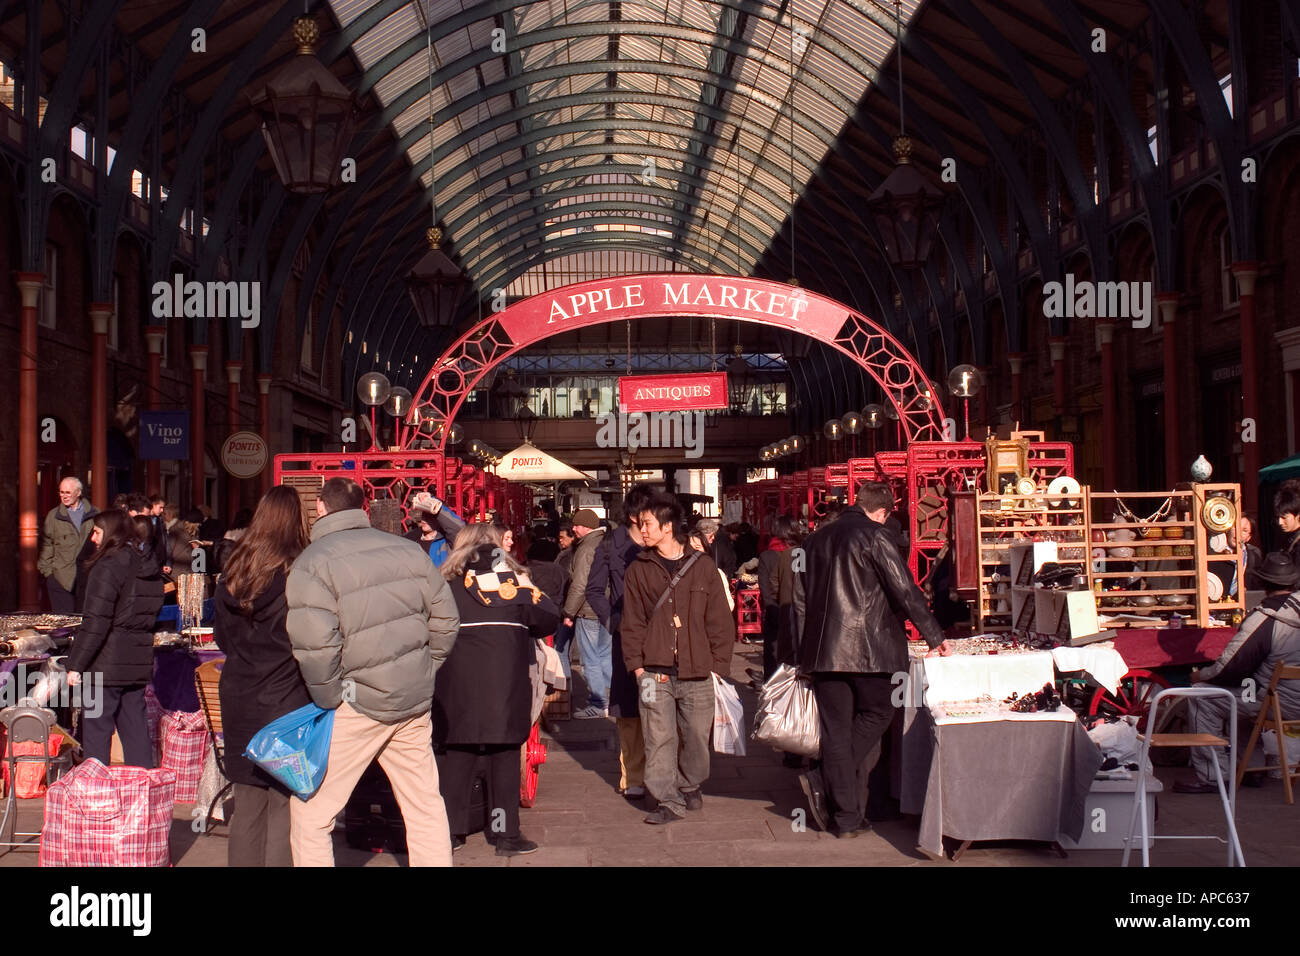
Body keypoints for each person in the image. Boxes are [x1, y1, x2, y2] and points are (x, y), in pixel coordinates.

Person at [286, 477, 460, 867]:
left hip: (356, 701)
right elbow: (447, 621)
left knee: (312, 813)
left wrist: (330, 696)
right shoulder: (409, 551)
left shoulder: (312, 562)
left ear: (320, 508)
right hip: (412, 700)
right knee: (424, 805)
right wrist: (423, 669)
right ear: (362, 507)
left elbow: (315, 646)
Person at [795, 481, 950, 837]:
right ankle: (827, 775)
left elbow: (801, 604)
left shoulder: (815, 539)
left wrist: (802, 655)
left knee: (835, 732)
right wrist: (934, 635)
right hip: (870, 652)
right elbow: (904, 589)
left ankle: (847, 819)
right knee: (880, 713)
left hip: (822, 654)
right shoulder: (877, 536)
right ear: (882, 512)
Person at [433, 523, 559, 855]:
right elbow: (548, 617)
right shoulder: (511, 582)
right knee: (503, 762)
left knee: (455, 761)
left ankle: (451, 833)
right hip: (504, 691)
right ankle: (505, 835)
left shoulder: (444, 584)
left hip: (454, 692)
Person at [211, 486, 313, 866]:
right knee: (283, 803)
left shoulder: (235, 567)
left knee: (247, 800)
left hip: (239, 693)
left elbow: (222, 637)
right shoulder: (298, 569)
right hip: (286, 696)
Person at [622, 493, 734, 824]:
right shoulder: (638, 570)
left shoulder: (703, 568)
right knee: (658, 737)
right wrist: (638, 667)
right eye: (641, 524)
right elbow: (631, 622)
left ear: (668, 527)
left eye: (647, 524)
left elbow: (719, 622)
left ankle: (690, 783)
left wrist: (719, 667)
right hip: (654, 671)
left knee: (697, 736)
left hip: (698, 670)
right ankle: (666, 798)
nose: (642, 530)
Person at [1178, 552, 1300, 793]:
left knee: (1203, 697)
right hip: (1284, 696)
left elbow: (1230, 667)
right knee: (1246, 692)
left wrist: (1200, 676)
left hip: (1279, 702)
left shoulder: (1265, 619)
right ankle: (1251, 770)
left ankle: (1213, 776)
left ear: (1264, 584)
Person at [64, 509, 164, 767]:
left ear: (110, 532)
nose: (93, 539)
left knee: (97, 730)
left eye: (97, 532)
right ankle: (142, 792)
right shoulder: (148, 565)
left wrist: (76, 664)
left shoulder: (108, 566)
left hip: (104, 663)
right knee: (135, 728)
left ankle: (97, 794)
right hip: (136, 657)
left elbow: (96, 621)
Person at [588, 484, 654, 800]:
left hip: (663, 636)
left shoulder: (664, 542)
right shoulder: (609, 546)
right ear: (632, 515)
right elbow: (593, 591)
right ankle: (634, 776)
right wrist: (613, 621)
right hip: (625, 637)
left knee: (663, 704)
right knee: (629, 709)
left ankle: (666, 772)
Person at [564, 509, 612, 719]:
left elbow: (580, 584)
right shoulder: (605, 542)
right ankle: (612, 700)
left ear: (586, 527)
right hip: (606, 608)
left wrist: (569, 611)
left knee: (590, 659)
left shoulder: (586, 549)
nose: (573, 529)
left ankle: (598, 703)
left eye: (576, 525)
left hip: (588, 609)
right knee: (605, 655)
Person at [37, 476, 99, 612]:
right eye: (61, 492)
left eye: (68, 492)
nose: (64, 496)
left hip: (88, 579)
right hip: (61, 580)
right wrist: (49, 574)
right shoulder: (53, 516)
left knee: (84, 622)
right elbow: (46, 545)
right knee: (64, 624)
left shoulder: (95, 515)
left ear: (78, 493)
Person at [755, 516, 794, 684]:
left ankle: (772, 691)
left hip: (774, 613)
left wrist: (771, 609)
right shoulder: (799, 553)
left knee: (772, 657)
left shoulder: (767, 555)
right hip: (796, 613)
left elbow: (764, 588)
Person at [404, 491, 465, 568]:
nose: (424, 519)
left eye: (429, 516)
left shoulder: (447, 543)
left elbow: (459, 529)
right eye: (423, 515)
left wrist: (432, 502)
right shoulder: (411, 539)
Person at [213, 508, 253, 574]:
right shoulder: (251, 533)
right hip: (246, 563)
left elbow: (223, 549)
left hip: (230, 563)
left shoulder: (229, 532)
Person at [1275, 481, 1300, 563]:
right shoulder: (1288, 538)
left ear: (1298, 516)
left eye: (1284, 517)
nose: (1280, 522)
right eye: (1278, 517)